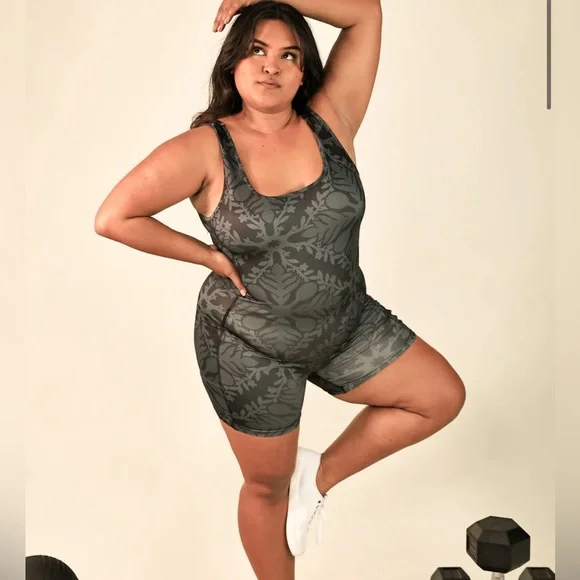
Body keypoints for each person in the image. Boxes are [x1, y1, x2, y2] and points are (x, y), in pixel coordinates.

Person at [94, 0, 466, 578]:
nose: (271, 65)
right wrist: (208, 255)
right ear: (233, 64)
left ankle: (315, 477)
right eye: (256, 50)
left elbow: (366, 13)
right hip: (250, 345)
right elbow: (114, 216)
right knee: (267, 487)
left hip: (344, 323)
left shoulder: (333, 118)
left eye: (289, 55)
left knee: (440, 396)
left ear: (303, 71)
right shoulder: (205, 147)